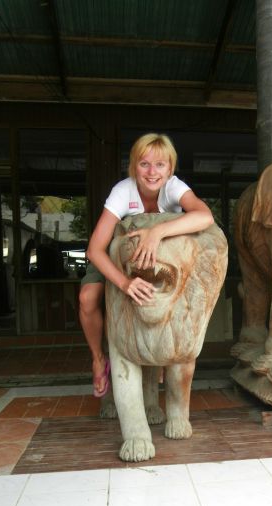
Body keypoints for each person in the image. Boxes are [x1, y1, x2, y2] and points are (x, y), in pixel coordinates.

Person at [79, 133, 214, 397]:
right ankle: (98, 358)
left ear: (170, 168)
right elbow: (94, 250)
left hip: (163, 260)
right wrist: (124, 283)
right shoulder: (123, 191)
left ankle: (162, 357)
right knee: (87, 297)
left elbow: (205, 216)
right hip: (120, 258)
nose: (152, 172)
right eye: (144, 164)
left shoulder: (174, 187)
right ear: (133, 167)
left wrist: (157, 232)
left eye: (160, 165)